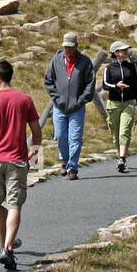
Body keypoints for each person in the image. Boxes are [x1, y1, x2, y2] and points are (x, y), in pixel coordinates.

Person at [0, 59, 41, 272]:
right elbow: (36, 129)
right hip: (17, 159)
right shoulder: (24, 99)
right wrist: (36, 150)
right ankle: (8, 248)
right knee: (14, 204)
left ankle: (2, 245)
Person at [43, 31, 94, 180]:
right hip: (59, 107)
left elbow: (90, 83)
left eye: (71, 47)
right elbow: (48, 81)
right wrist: (56, 98)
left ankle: (72, 167)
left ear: (76, 46)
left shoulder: (85, 62)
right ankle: (64, 161)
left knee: (75, 138)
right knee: (60, 136)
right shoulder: (56, 60)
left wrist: (81, 100)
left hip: (77, 108)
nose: (68, 50)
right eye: (66, 47)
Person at [102, 41, 137, 173]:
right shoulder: (108, 68)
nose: (126, 52)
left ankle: (122, 159)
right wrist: (116, 86)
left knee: (124, 131)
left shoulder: (131, 67)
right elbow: (105, 85)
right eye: (122, 50)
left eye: (126, 50)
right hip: (113, 103)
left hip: (129, 103)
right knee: (115, 134)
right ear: (115, 53)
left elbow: (136, 86)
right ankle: (120, 154)